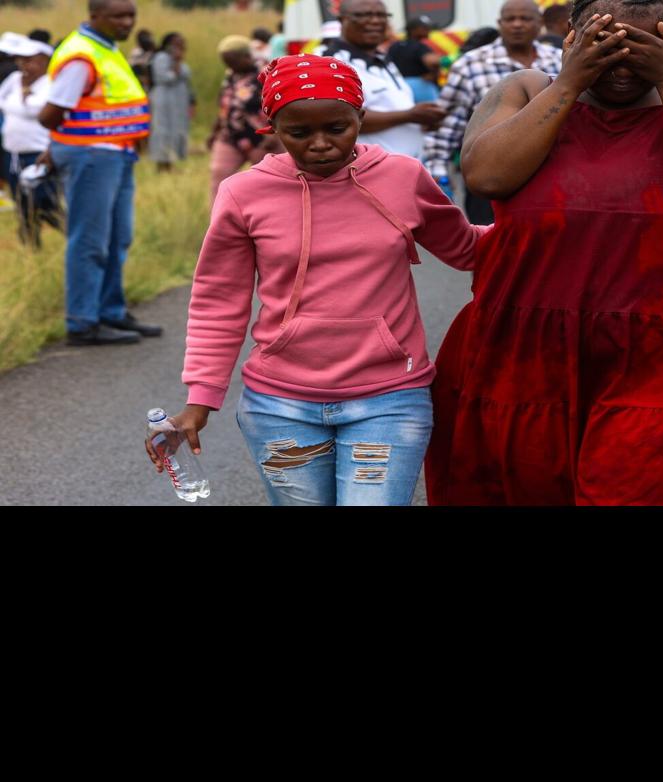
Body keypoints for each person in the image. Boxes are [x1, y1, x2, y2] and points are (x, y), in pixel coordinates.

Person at [424, 0, 663, 505]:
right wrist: (570, 82)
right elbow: (488, 174)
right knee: (525, 483)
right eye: (604, 45)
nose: (622, 64)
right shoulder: (526, 89)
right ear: (571, 37)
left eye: (642, 48)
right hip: (526, 335)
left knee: (653, 479)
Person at [153, 54, 487, 506]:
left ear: (360, 119)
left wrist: (550, 222)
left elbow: (469, 249)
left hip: (390, 398)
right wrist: (201, 399)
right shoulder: (244, 193)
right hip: (279, 406)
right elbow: (219, 300)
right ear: (273, 127)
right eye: (299, 133)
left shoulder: (403, 177)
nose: (320, 144)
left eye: (337, 128)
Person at [40, 0, 160, 346]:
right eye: (118, 16)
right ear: (95, 16)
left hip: (115, 154)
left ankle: (110, 311)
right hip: (91, 156)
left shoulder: (104, 47)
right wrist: (68, 145)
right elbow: (50, 115)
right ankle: (82, 322)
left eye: (131, 15)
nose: (127, 22)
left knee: (117, 237)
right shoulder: (82, 55)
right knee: (90, 242)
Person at [423, 0, 563, 222]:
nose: (517, 25)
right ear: (500, 23)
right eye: (510, 19)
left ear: (540, 24)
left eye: (525, 19)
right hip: (491, 175)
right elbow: (449, 124)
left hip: (552, 173)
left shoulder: (560, 59)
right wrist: (437, 174)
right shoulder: (470, 64)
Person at [327, 0, 446, 161]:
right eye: (363, 15)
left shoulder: (382, 57)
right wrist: (410, 115)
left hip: (410, 165)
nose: (375, 21)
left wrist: (423, 119)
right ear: (342, 20)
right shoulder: (332, 64)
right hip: (372, 171)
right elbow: (340, 119)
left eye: (381, 15)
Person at [0, 32, 63, 247]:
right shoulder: (14, 80)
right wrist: (22, 100)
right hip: (13, 153)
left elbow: (38, 110)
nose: (24, 66)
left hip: (38, 153)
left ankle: (72, 234)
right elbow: (2, 101)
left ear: (44, 62)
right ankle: (30, 245)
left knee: (45, 201)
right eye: (21, 60)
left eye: (30, 61)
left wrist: (23, 98)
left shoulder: (51, 84)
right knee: (21, 203)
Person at [207, 34, 282, 203]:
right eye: (226, 61)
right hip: (230, 135)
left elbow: (281, 103)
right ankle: (221, 224)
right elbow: (226, 104)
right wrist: (215, 131)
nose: (229, 65)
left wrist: (276, 135)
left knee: (270, 183)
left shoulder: (267, 72)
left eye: (233, 61)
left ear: (246, 56)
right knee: (219, 177)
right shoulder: (231, 75)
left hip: (261, 137)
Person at [147, 32, 192, 173]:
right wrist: (177, 62)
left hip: (176, 100)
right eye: (178, 42)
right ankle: (161, 165)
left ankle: (170, 164)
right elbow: (165, 78)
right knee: (162, 129)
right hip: (163, 99)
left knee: (174, 130)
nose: (182, 45)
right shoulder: (161, 57)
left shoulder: (178, 59)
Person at [388, 15, 441, 103]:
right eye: (425, 27)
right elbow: (433, 62)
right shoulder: (420, 46)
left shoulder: (395, 46)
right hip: (421, 86)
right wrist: (434, 74)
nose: (429, 30)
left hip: (399, 86)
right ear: (413, 30)